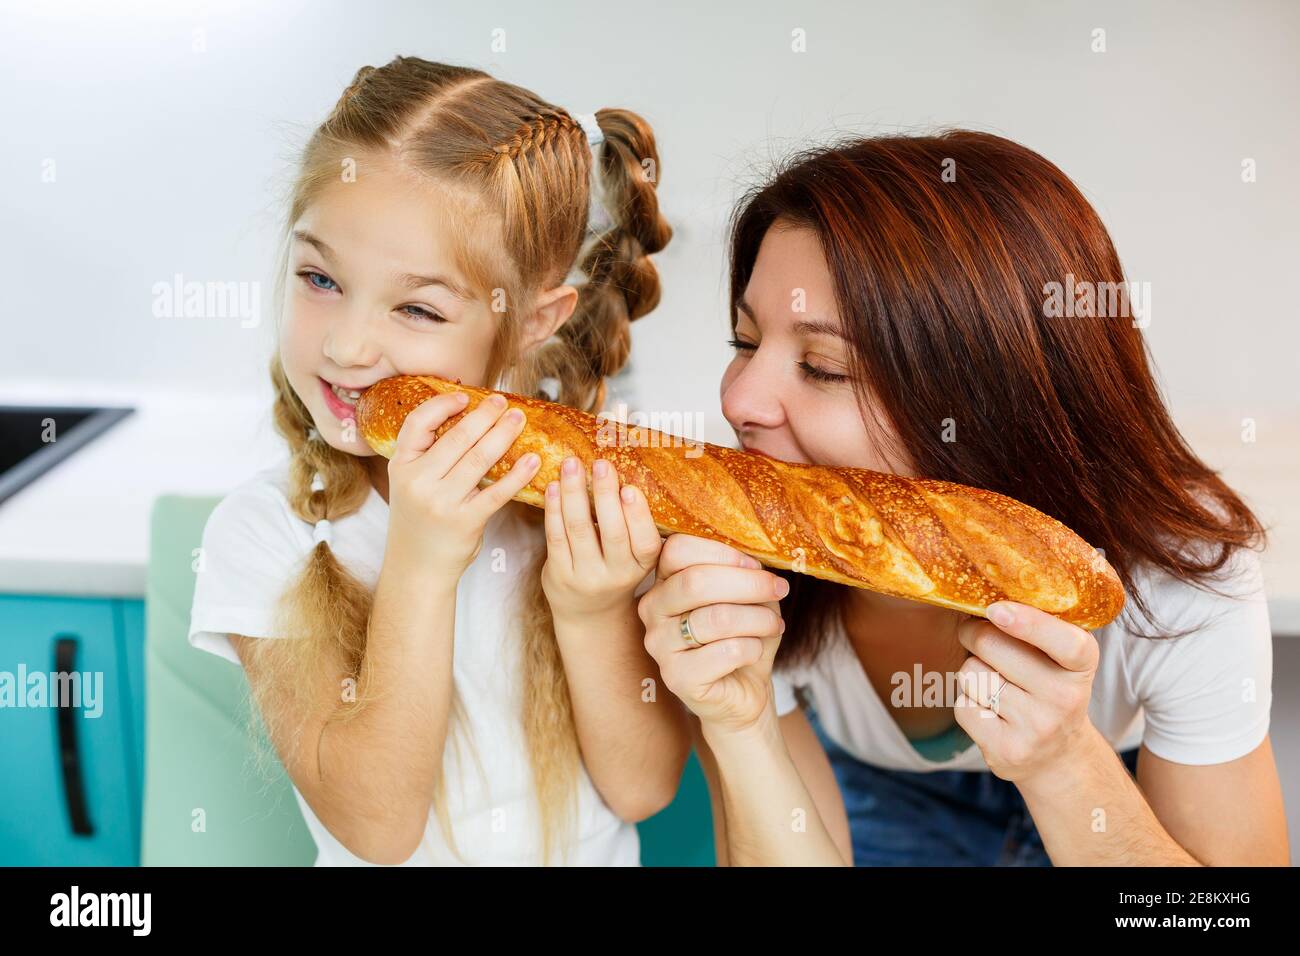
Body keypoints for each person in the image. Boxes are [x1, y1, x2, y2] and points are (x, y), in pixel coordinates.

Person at [639, 130, 1288, 866]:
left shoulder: (1185, 574)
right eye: (745, 342)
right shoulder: (733, 565)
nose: (740, 400)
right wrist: (740, 723)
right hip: (865, 792)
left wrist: (1064, 762)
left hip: (1115, 794)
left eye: (822, 366)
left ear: (986, 403)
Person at [188, 57, 685, 865]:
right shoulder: (262, 535)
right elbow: (377, 829)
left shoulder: (584, 511)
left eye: (417, 307)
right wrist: (419, 563)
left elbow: (644, 789)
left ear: (531, 320)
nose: (347, 346)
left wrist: (593, 608)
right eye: (320, 277)